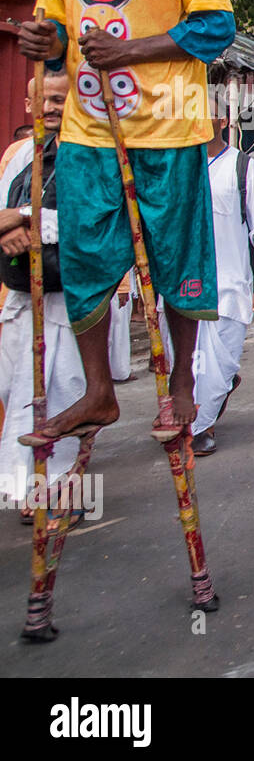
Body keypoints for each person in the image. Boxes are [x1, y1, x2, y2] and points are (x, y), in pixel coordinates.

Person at [17, 0, 233, 441]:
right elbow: (58, 30)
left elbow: (214, 28)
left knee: (176, 261)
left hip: (169, 126)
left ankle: (186, 384)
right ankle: (100, 394)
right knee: (81, 254)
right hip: (88, 130)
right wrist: (44, 43)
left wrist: (131, 50)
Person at [0, 70, 84, 522]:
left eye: (60, 99)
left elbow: (85, 224)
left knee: (64, 389)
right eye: (45, 100)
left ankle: (62, 489)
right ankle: (28, 483)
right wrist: (13, 222)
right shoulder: (17, 157)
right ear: (29, 104)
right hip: (19, 298)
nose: (52, 107)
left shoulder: (86, 153)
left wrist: (23, 222)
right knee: (18, 392)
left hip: (69, 299)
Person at [187, 115, 254, 455]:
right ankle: (197, 410)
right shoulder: (178, 166)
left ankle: (202, 426)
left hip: (230, 284)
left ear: (221, 121)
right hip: (183, 285)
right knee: (187, 362)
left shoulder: (242, 167)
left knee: (220, 361)